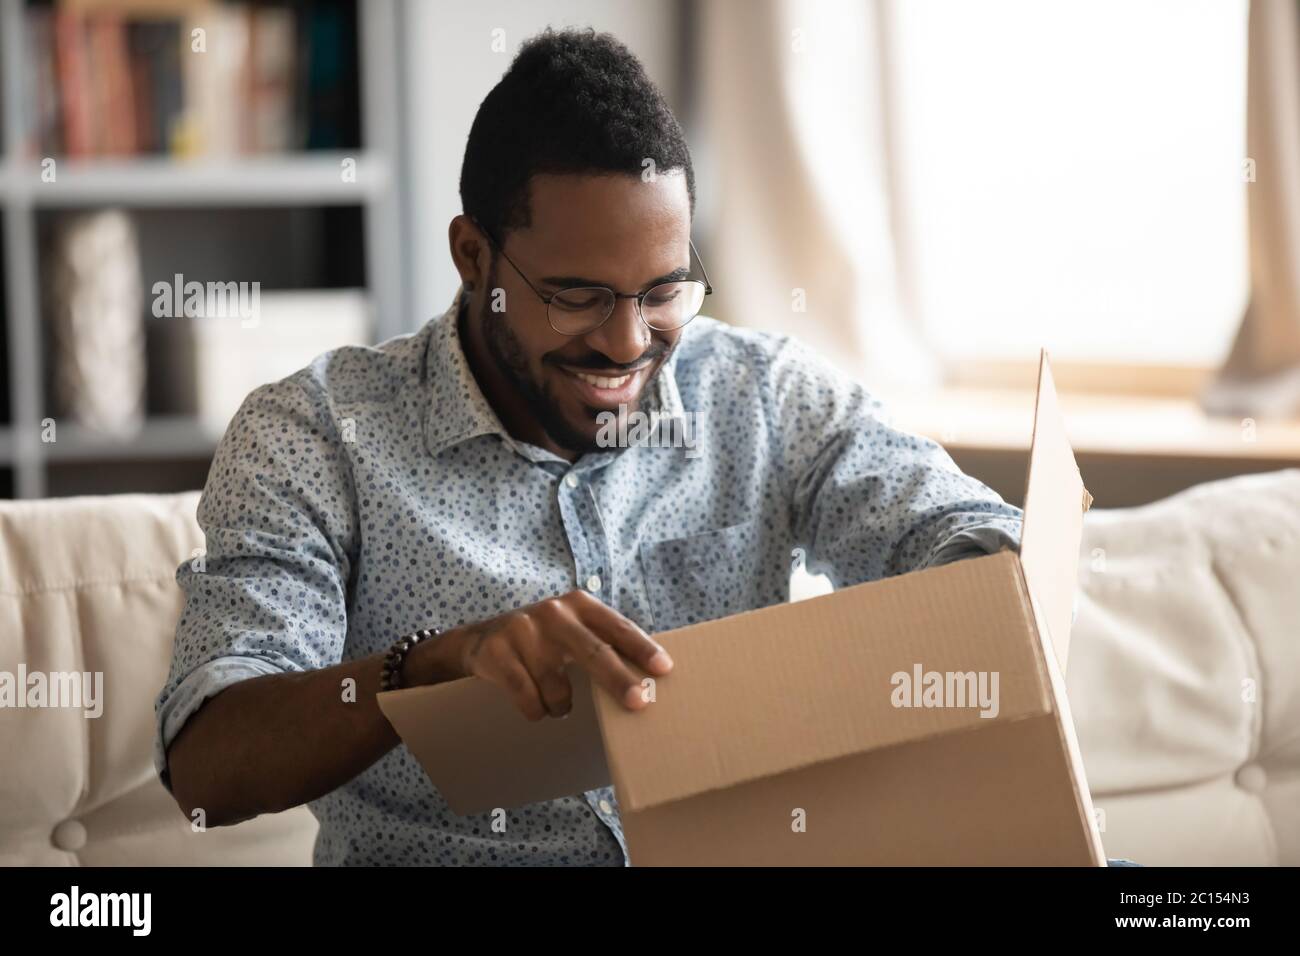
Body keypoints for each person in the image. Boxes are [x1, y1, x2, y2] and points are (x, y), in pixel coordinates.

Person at [156, 26, 1029, 866]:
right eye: (576, 297)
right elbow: (209, 760)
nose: (626, 343)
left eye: (663, 291)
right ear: (473, 257)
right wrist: (428, 669)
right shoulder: (315, 434)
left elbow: (965, 531)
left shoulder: (761, 395)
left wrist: (971, 587)